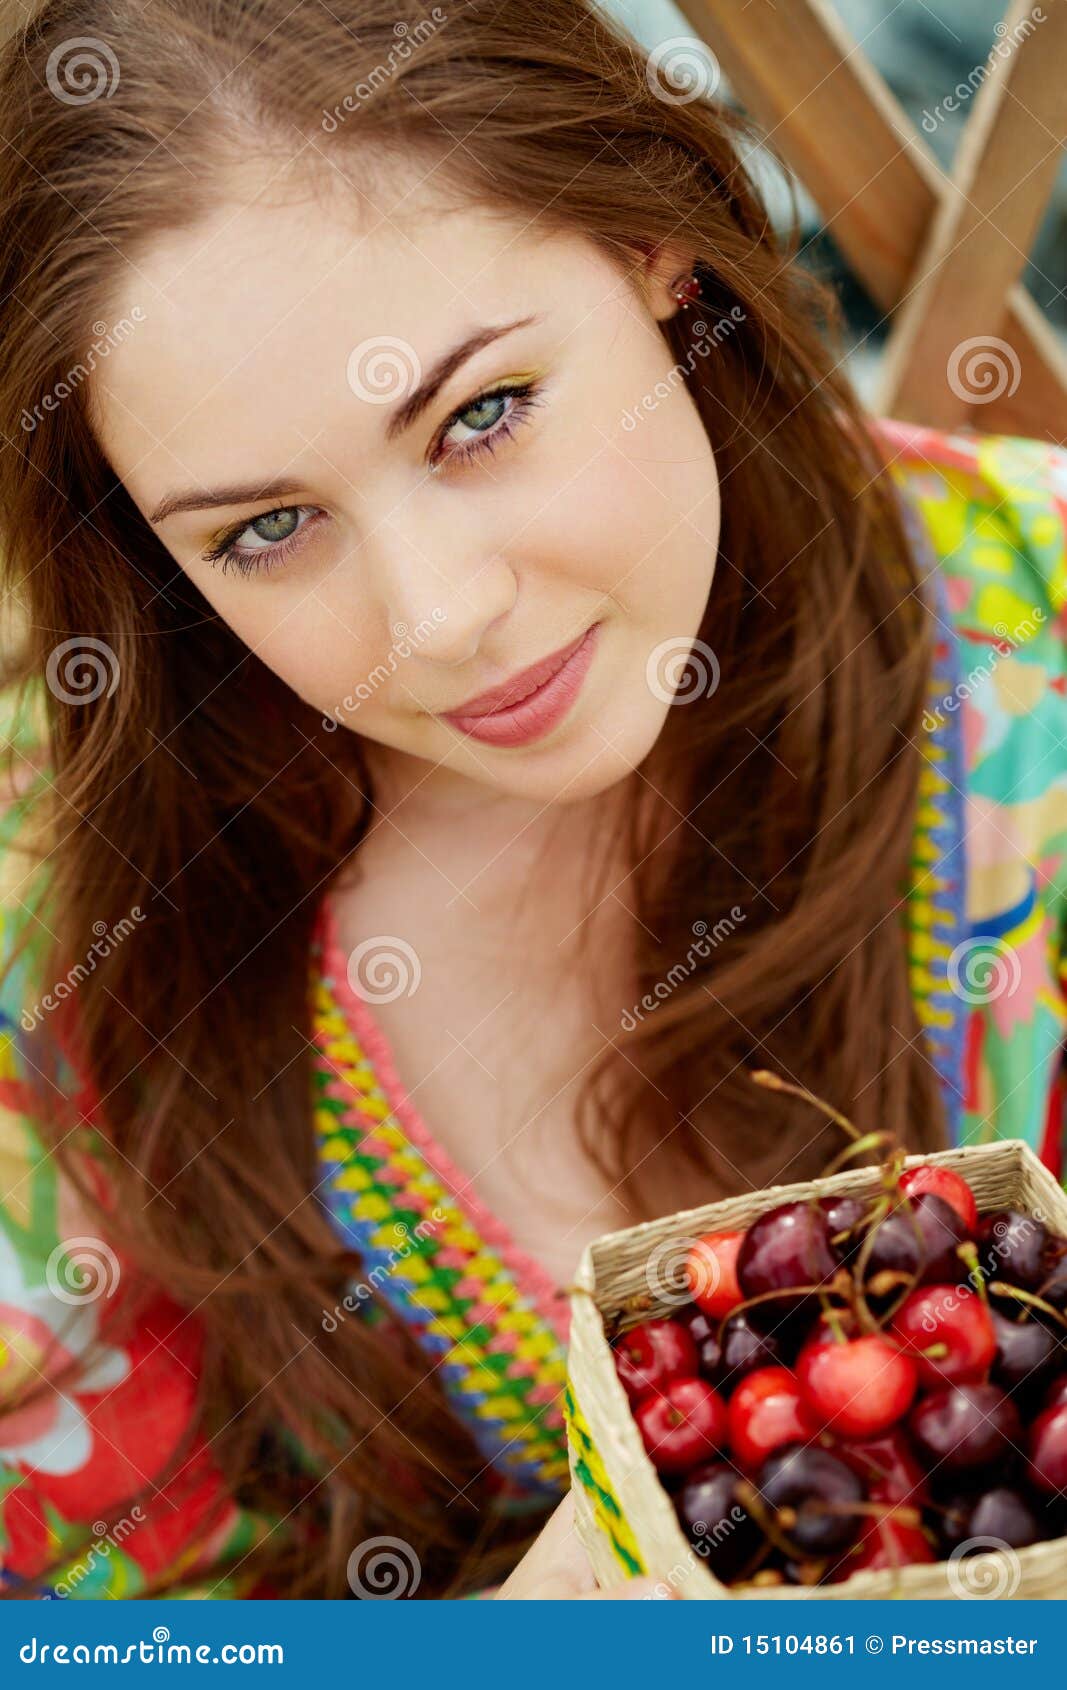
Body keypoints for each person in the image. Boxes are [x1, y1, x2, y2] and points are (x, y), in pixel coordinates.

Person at [0, 0, 1064, 1600]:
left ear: (654, 248)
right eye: (264, 530)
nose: (438, 616)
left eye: (481, 416)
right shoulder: (59, 960)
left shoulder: (1040, 633)